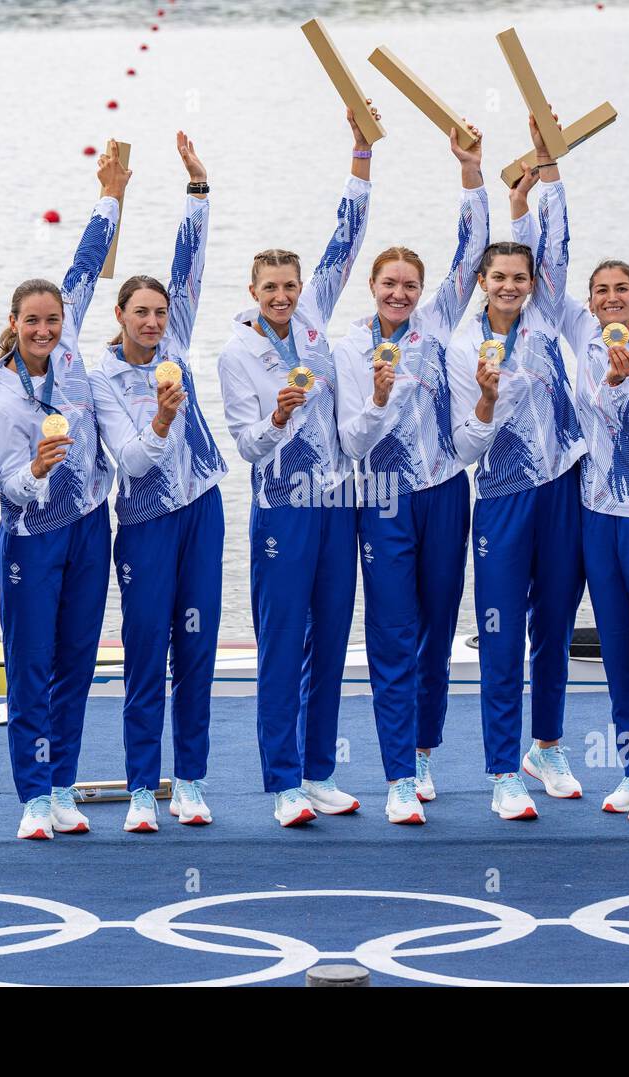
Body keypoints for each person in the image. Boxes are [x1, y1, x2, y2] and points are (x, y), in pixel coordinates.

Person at [512, 144, 629, 824]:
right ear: (590, 301)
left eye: (623, 290)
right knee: (616, 648)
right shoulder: (583, 330)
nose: (612, 298)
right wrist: (535, 193)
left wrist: (616, 387)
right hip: (595, 514)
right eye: (602, 290)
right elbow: (544, 266)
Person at [217, 106, 378, 827]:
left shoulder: (313, 318)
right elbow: (247, 448)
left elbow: (347, 239)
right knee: (282, 645)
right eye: (271, 289)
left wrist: (360, 155)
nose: (283, 297)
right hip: (283, 509)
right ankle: (282, 781)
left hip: (336, 503)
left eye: (290, 286)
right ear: (253, 293)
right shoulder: (237, 354)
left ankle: (318, 772)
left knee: (332, 640)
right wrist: (279, 417)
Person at [335, 122, 491, 825]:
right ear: (372, 287)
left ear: (423, 291)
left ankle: (424, 751)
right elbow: (351, 440)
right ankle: (397, 774)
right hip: (383, 498)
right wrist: (377, 395)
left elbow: (474, 251)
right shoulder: (349, 348)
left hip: (446, 492)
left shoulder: (437, 322)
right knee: (392, 633)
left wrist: (470, 170)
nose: (399, 294)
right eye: (389, 284)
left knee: (437, 627)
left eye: (410, 285)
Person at [0, 149, 130, 840]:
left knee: (77, 661)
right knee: (30, 666)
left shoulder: (69, 351)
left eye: (52, 320)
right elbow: (7, 488)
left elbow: (88, 258)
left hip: (90, 526)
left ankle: (63, 783)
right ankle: (33, 795)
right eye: (32, 322)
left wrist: (110, 191)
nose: (44, 331)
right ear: (13, 323)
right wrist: (39, 470)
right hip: (32, 539)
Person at [453, 115, 589, 822]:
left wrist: (548, 172)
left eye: (520, 276)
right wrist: (484, 398)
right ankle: (502, 769)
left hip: (564, 485)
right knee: (502, 632)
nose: (510, 285)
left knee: (555, 625)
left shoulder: (546, 316)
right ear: (481, 281)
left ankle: (547, 746)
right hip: (503, 497)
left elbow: (557, 242)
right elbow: (465, 448)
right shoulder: (459, 349)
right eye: (498, 276)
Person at [89, 132, 224, 833]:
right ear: (119, 316)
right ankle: (143, 786)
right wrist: (165, 420)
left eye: (159, 312)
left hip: (202, 508)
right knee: (146, 652)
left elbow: (190, 264)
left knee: (196, 649)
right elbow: (132, 463)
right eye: (139, 312)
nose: (151, 321)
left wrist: (197, 187)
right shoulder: (102, 378)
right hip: (144, 523)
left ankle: (190, 782)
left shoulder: (176, 342)